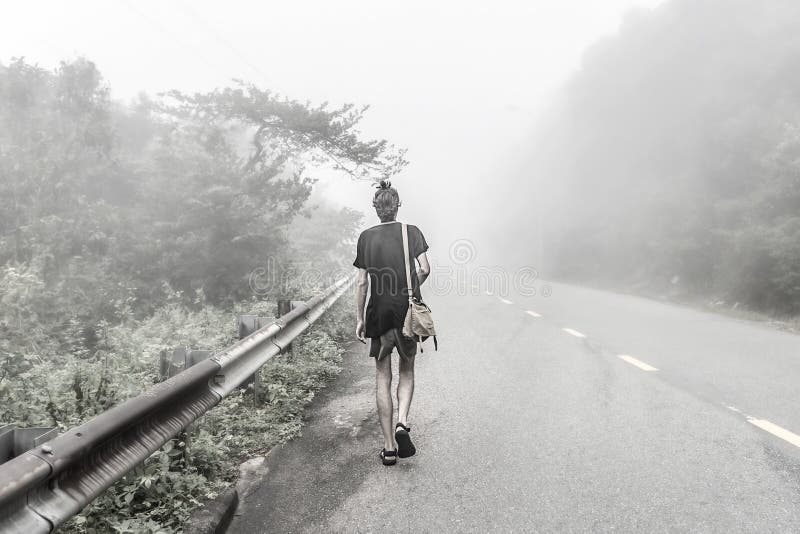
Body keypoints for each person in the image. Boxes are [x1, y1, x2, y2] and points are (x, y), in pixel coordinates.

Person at [353, 179, 431, 466]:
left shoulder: (365, 237)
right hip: (406, 311)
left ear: (375, 208)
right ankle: (402, 422)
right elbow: (425, 268)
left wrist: (360, 318)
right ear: (398, 206)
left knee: (382, 376)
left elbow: (362, 282)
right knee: (407, 370)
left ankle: (387, 448)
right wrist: (412, 289)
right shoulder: (411, 232)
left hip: (378, 313)